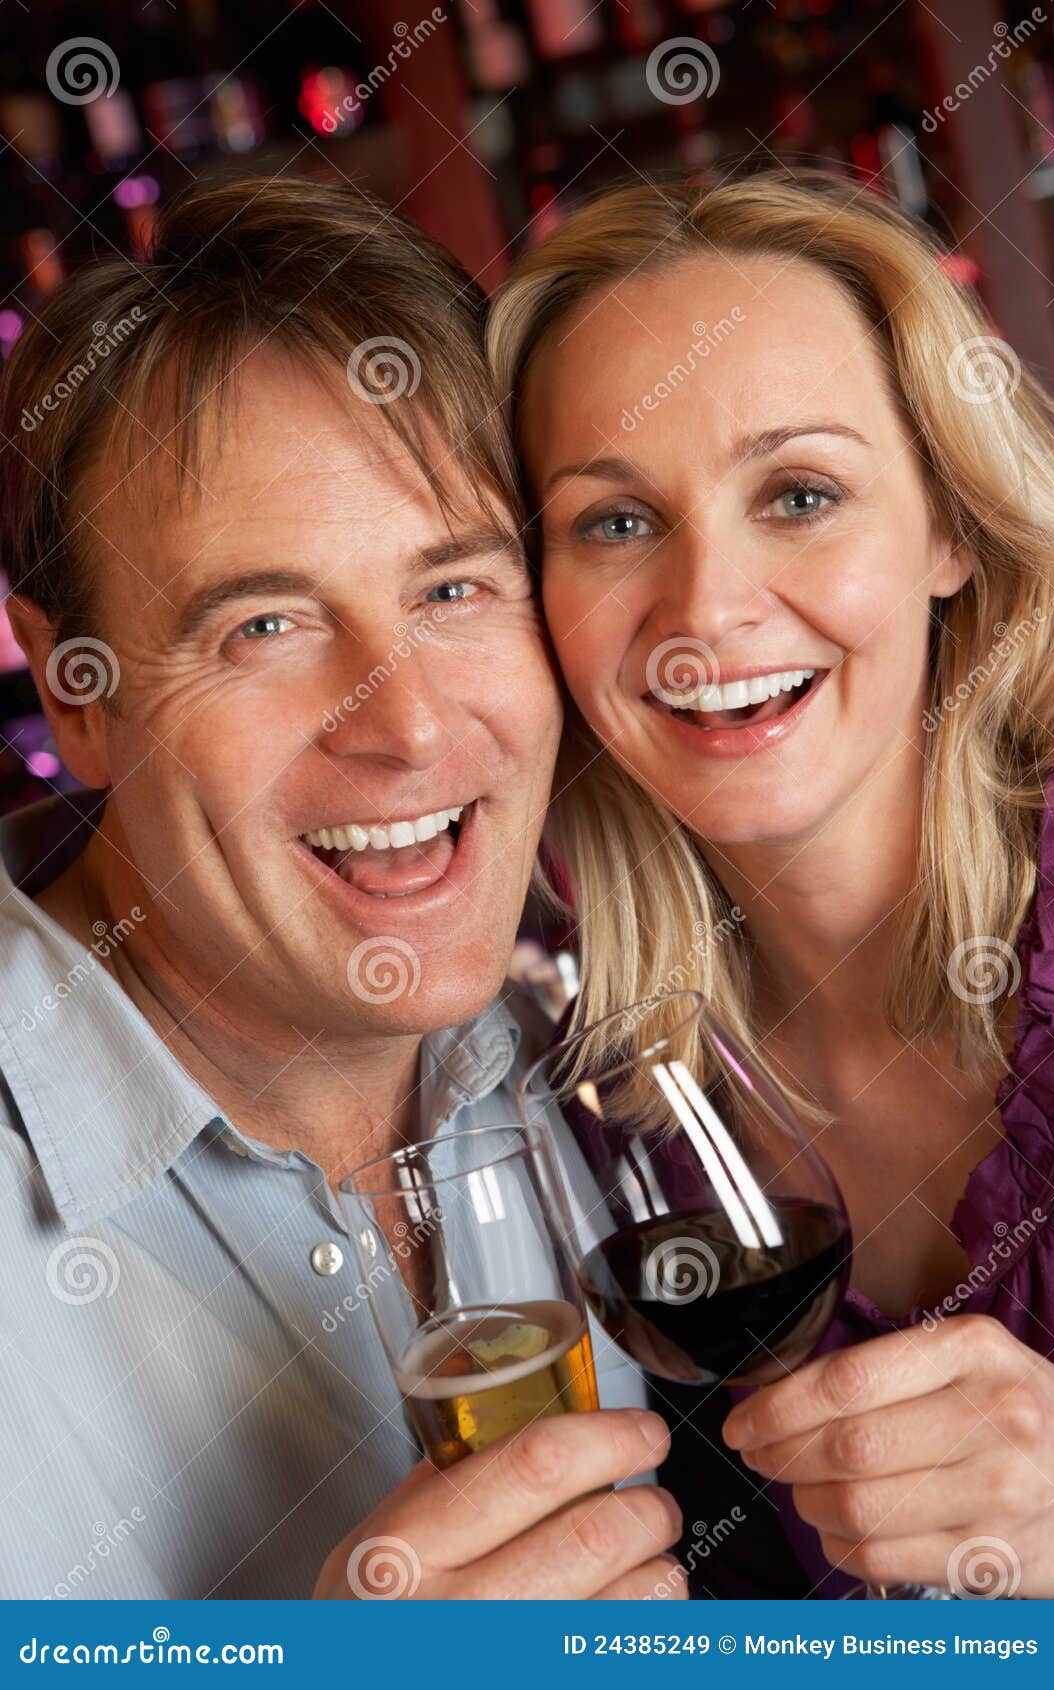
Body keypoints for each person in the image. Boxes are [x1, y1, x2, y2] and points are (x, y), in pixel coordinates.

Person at [0, 177, 682, 1602]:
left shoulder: (606, 1027)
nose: (411, 726)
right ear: (79, 690)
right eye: (264, 623)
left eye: (453, 590)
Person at [488, 168, 1054, 1598]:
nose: (709, 609)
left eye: (799, 493)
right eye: (616, 522)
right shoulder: (584, 1086)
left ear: (948, 527)